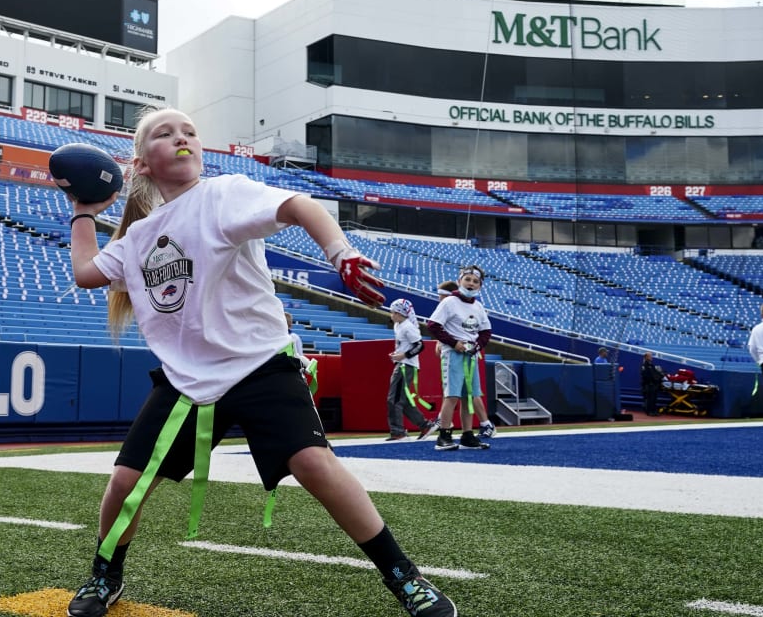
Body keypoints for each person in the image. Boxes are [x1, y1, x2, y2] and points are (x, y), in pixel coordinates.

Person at [64, 107, 456, 617]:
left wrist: (341, 253)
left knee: (314, 463)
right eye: (165, 133)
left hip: (259, 363)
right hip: (187, 379)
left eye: (190, 132)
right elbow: (86, 273)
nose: (182, 138)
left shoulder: (224, 193)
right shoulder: (138, 237)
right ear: (141, 163)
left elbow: (299, 204)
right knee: (125, 481)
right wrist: (83, 210)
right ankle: (105, 575)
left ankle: (404, 576)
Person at [427, 265, 494, 450]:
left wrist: (477, 346)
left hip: (470, 355)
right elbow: (433, 325)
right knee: (452, 395)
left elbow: (486, 331)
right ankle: (444, 435)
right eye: (468, 279)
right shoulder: (450, 302)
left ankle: (467, 435)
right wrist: (454, 343)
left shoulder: (478, 306)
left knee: (468, 396)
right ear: (459, 281)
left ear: (480, 285)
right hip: (453, 354)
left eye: (475, 281)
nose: (471, 284)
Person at [385, 298, 438, 441]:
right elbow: (405, 345)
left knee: (394, 399)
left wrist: (403, 355)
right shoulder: (398, 325)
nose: (391, 314)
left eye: (392, 312)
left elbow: (420, 345)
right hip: (402, 364)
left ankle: (398, 432)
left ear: (399, 313)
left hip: (406, 365)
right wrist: (397, 354)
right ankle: (424, 425)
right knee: (403, 399)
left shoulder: (408, 327)